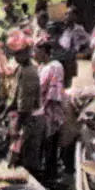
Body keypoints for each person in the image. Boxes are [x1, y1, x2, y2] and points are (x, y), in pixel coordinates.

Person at [0, 30, 41, 174]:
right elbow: (15, 94)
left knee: (20, 152)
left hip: (27, 116)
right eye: (14, 53)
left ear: (27, 52)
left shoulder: (29, 71)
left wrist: (17, 127)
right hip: (21, 113)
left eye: (18, 53)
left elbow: (25, 104)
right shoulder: (21, 68)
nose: (15, 57)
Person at [34, 40, 65, 181]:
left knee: (50, 143)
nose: (35, 54)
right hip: (40, 109)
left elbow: (53, 90)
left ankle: (50, 176)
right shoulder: (41, 67)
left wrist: (44, 108)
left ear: (45, 52)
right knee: (41, 144)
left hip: (50, 109)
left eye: (38, 52)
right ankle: (42, 173)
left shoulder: (55, 66)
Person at [58, 6, 90, 87]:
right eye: (66, 14)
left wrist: (80, 50)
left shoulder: (79, 29)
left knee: (68, 82)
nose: (66, 16)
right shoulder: (62, 28)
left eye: (69, 14)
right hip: (60, 57)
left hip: (70, 59)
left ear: (75, 16)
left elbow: (88, 41)